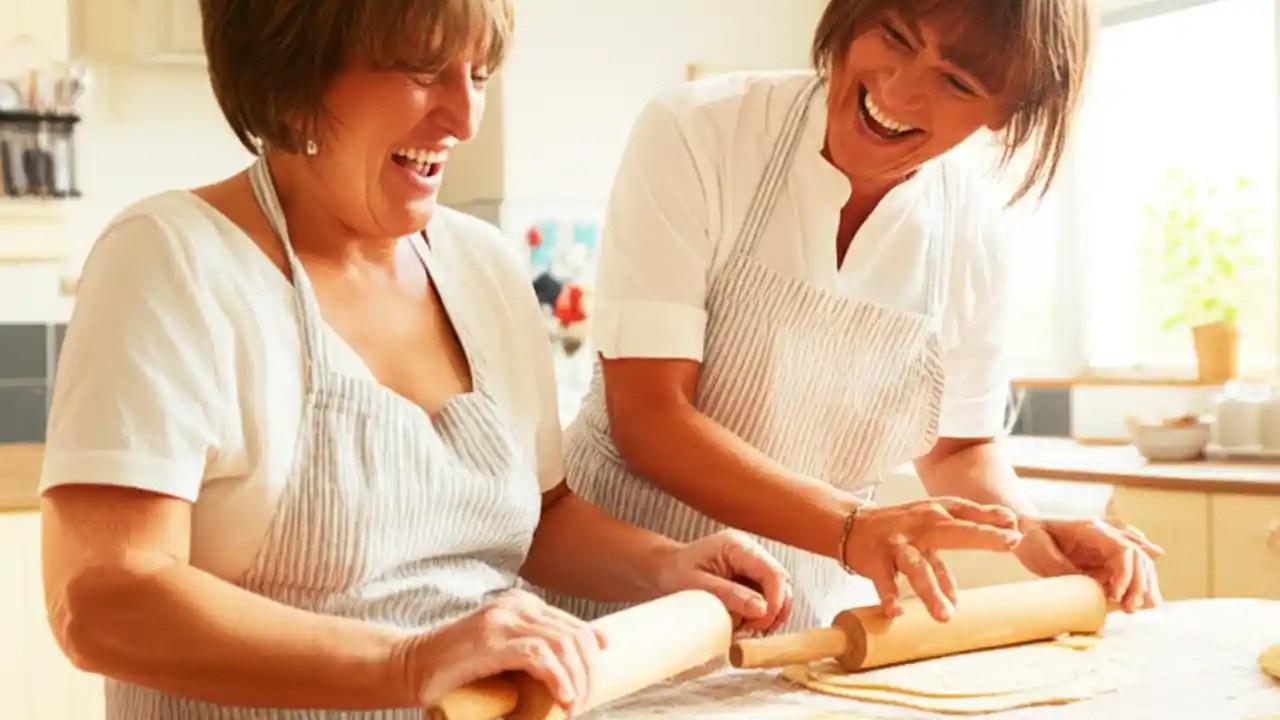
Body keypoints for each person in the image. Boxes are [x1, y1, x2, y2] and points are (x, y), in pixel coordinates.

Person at [36, 2, 793, 718]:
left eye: (480, 75)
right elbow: (103, 600)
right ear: (294, 75)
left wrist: (666, 565)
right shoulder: (172, 261)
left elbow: (538, 518)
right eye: (424, 71)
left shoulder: (483, 266)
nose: (462, 119)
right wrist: (407, 663)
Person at [543, 0, 1164, 633]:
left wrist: (1031, 534)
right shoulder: (700, 130)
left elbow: (959, 447)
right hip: (610, 607)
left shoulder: (975, 232)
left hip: (797, 626)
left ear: (1007, 112)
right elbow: (651, 418)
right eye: (893, 36)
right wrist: (851, 526)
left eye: (956, 82)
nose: (898, 88)